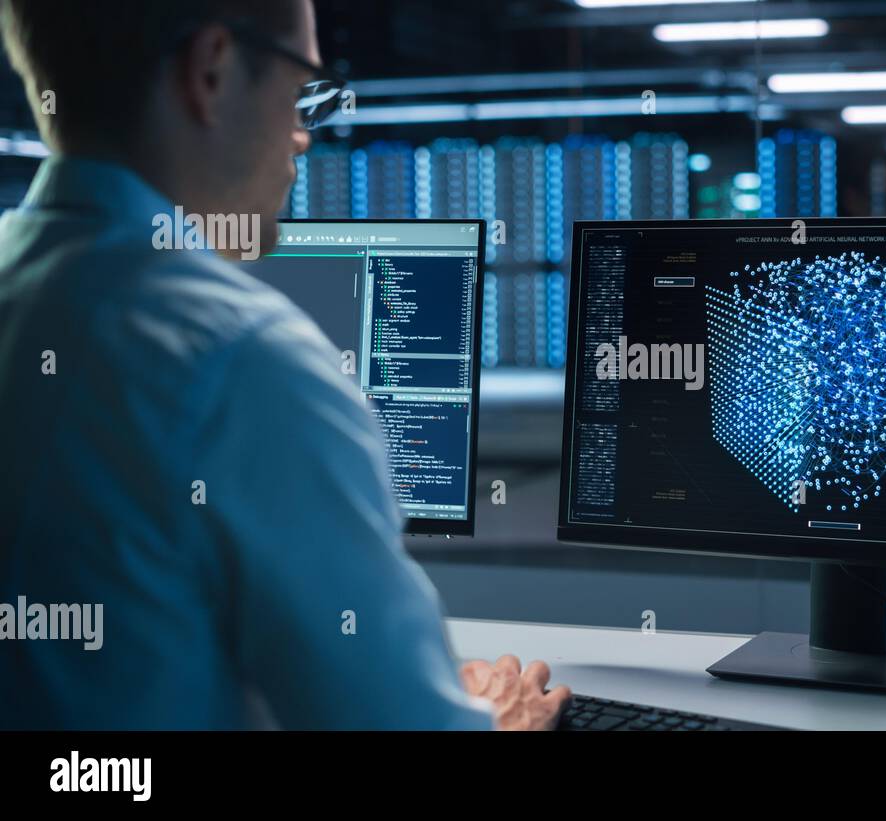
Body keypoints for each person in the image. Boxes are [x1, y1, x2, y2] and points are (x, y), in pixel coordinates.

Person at [0, 0, 569, 730]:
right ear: (211, 70)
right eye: (304, 80)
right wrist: (500, 722)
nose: (304, 130)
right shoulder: (243, 361)